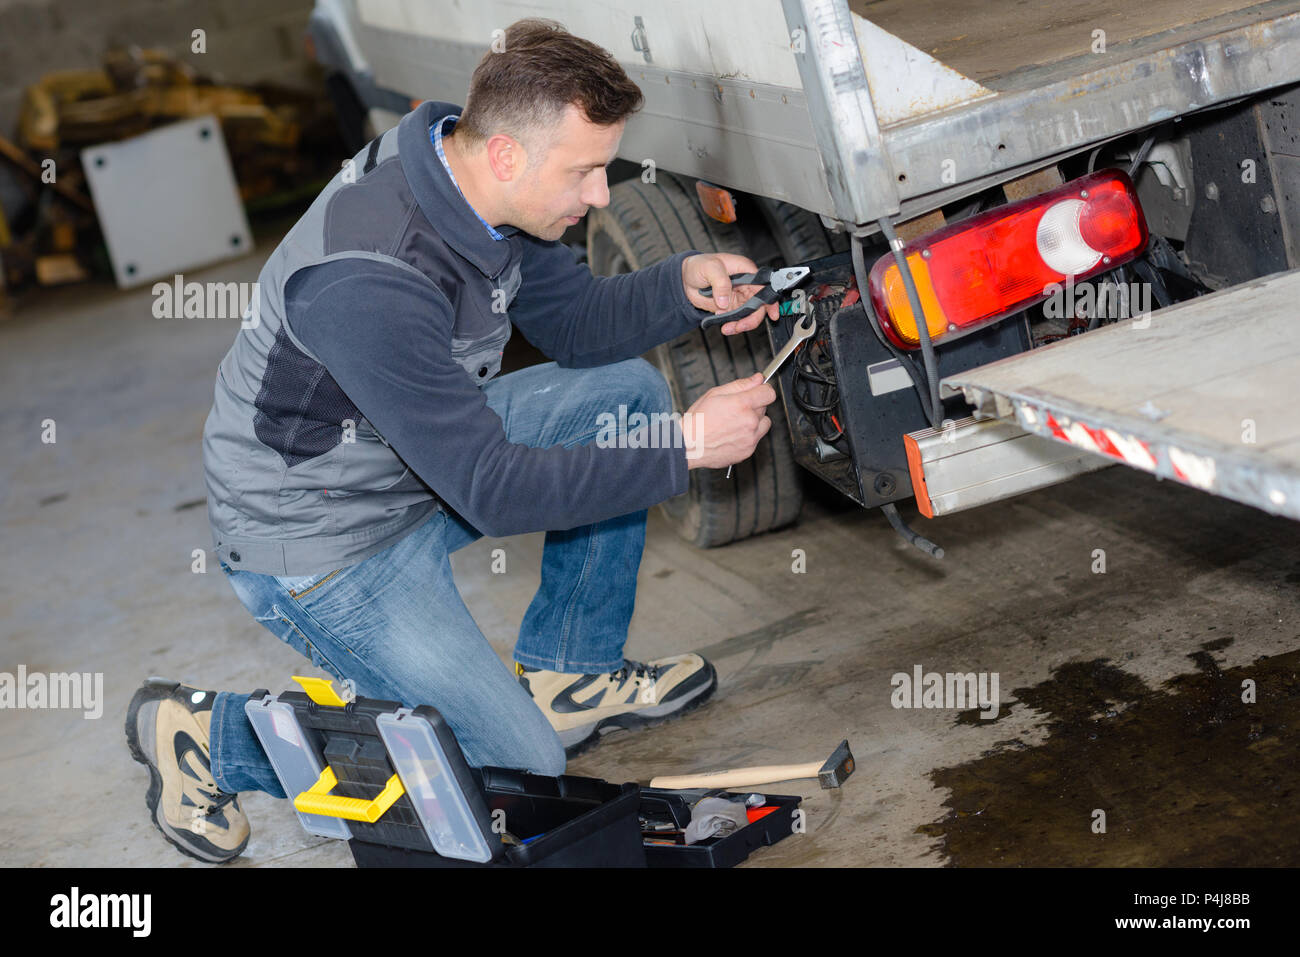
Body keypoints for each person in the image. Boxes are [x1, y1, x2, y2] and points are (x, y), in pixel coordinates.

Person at [125, 17, 779, 864]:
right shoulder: (368, 276)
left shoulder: (482, 184)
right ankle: (207, 738)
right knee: (517, 770)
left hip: (413, 465)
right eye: (584, 172)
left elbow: (574, 326)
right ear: (507, 154)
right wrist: (685, 448)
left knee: (625, 396)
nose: (601, 195)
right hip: (321, 540)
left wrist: (680, 289)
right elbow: (494, 489)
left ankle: (565, 671)